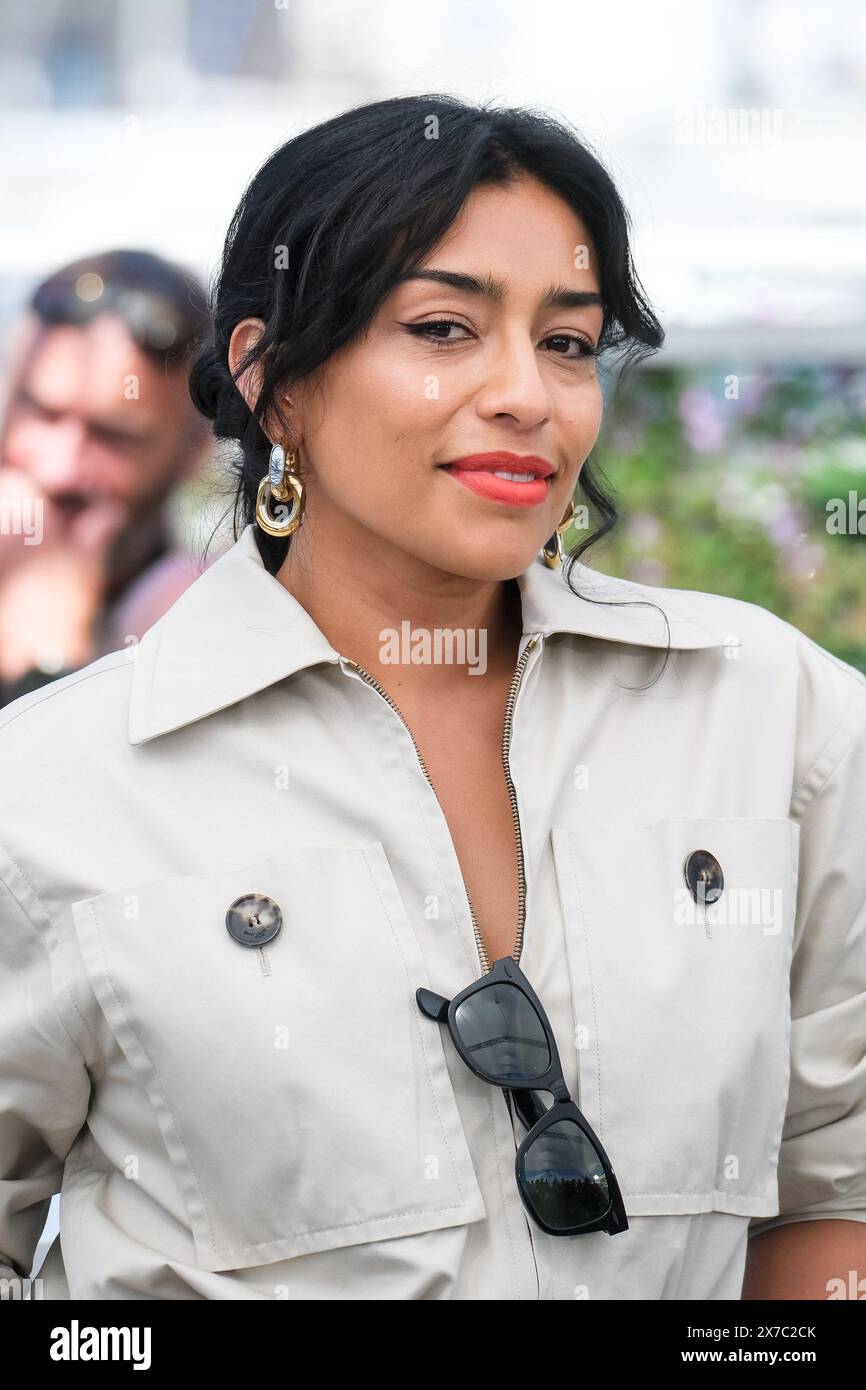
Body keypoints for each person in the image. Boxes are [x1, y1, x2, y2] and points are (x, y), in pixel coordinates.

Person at [0, 94, 864, 1302]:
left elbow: (832, 1192)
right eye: (445, 327)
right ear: (269, 377)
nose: (526, 394)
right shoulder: (49, 790)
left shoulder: (772, 714)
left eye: (567, 342)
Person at [0, 249, 214, 707]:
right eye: (42, 411)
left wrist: (45, 662)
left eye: (113, 437)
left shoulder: (193, 618)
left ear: (195, 452)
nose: (59, 470)